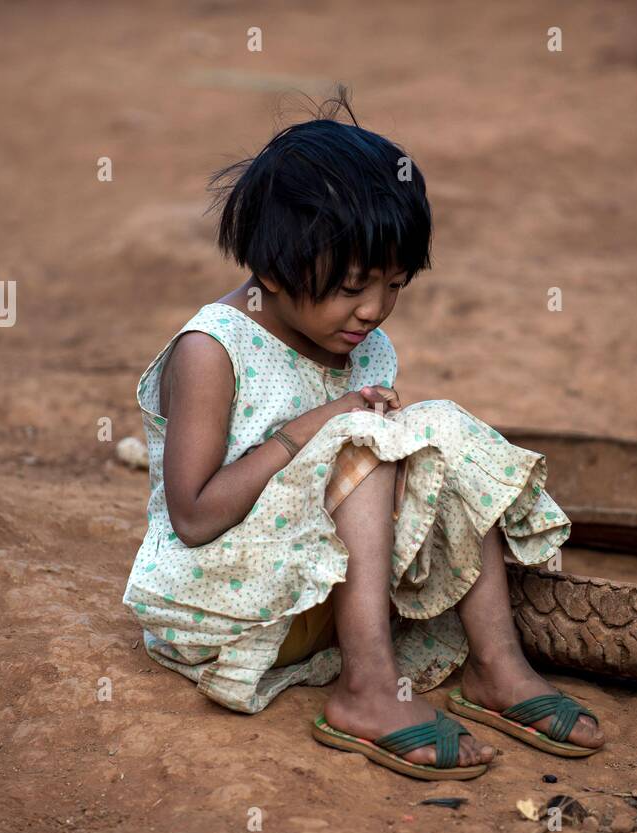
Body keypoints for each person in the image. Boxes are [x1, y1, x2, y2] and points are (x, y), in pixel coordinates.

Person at [121, 88, 604, 780]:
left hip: (318, 596)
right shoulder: (214, 349)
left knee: (438, 428)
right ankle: (368, 689)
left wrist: (376, 432)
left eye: (393, 284)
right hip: (227, 616)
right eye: (352, 286)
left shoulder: (359, 341)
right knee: (366, 440)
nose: (374, 309)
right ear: (275, 270)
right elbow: (193, 518)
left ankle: (499, 668)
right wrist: (318, 426)